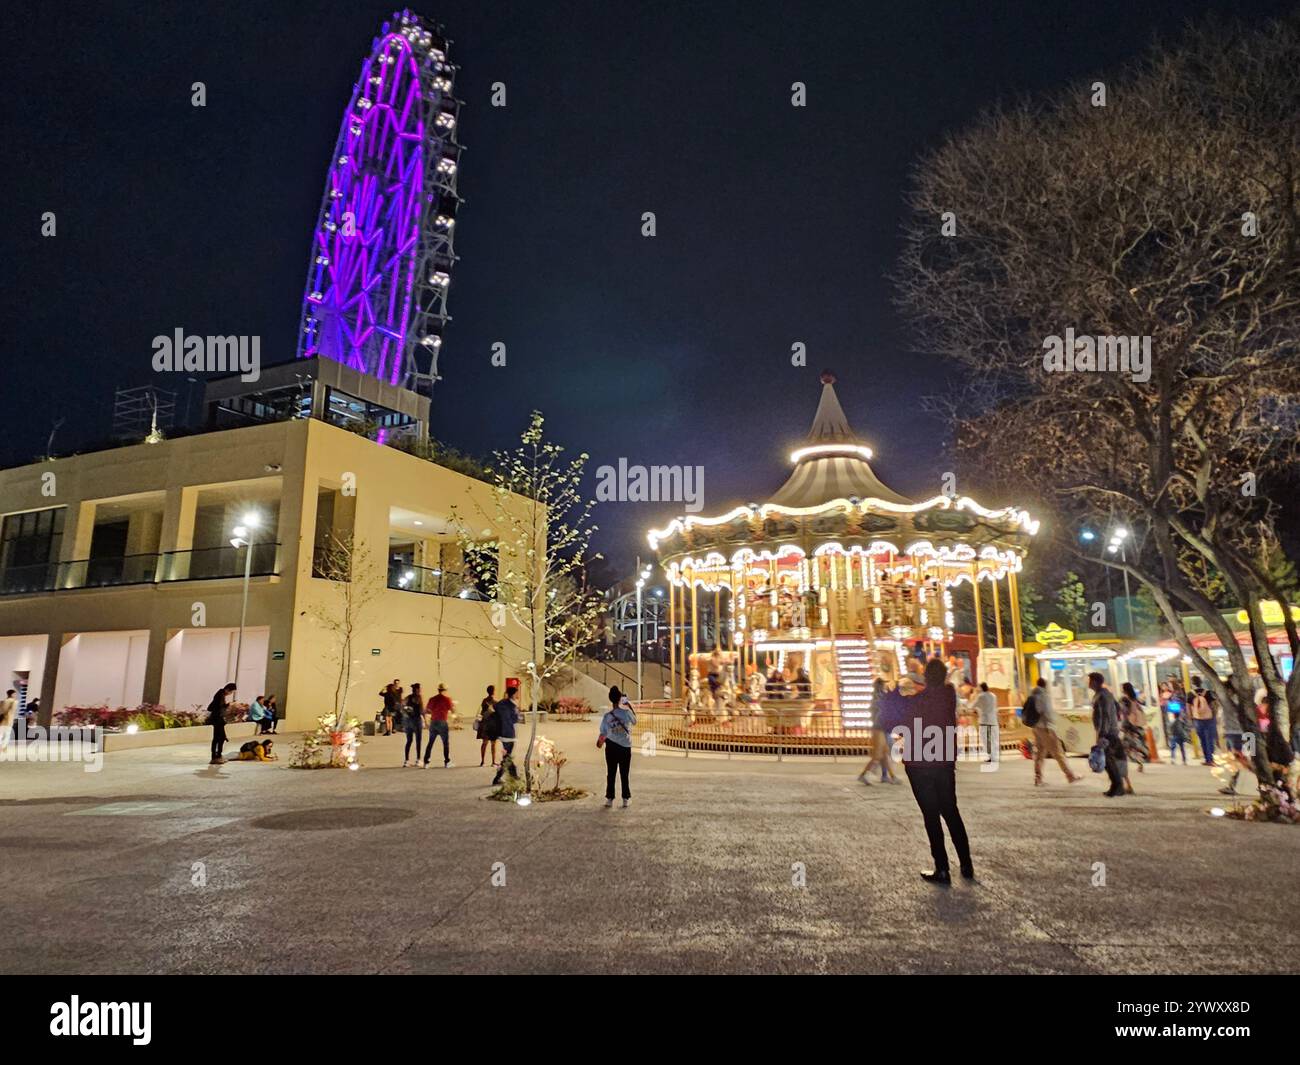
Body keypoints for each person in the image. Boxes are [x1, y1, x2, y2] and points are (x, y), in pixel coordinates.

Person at [874, 657, 973, 884]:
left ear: (926, 678)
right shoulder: (948, 696)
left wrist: (892, 698)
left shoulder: (916, 703)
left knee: (931, 815)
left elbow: (893, 723)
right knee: (951, 811)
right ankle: (966, 864)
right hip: (944, 762)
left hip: (920, 764)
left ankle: (942, 868)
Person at [1026, 677, 1079, 785]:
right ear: (1045, 685)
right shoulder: (1044, 696)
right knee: (1058, 752)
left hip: (1036, 728)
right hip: (1046, 728)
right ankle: (1070, 776)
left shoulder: (1032, 696)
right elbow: (1047, 713)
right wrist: (1052, 727)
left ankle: (1038, 778)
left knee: (1040, 753)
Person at [1089, 672, 1129, 797]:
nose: (1089, 683)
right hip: (1111, 730)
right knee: (1109, 759)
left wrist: (1102, 733)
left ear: (1095, 682)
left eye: (1090, 680)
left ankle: (1117, 786)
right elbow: (1117, 710)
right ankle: (1117, 786)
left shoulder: (1102, 696)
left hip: (1107, 732)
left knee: (1108, 760)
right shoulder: (1106, 694)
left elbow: (1105, 716)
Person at [599, 685, 636, 807]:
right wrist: (629, 705)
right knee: (624, 773)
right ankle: (626, 798)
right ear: (621, 699)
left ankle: (609, 798)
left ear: (610, 699)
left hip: (611, 746)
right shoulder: (627, 713)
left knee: (611, 772)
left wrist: (600, 742)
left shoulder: (607, 716)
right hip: (625, 746)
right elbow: (635, 721)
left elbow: (603, 732)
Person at [1119, 682, 1149, 786]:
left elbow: (1124, 712)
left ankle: (1123, 770)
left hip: (1128, 726)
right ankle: (1140, 763)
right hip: (1137, 725)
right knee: (1136, 745)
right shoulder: (1134, 699)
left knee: (1124, 747)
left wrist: (1122, 725)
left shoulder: (1124, 699)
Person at [490, 685, 521, 785]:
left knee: (507, 756)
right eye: (517, 693)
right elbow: (515, 720)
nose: (518, 694)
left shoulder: (502, 703)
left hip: (501, 732)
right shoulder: (512, 706)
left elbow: (494, 707)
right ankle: (512, 776)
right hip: (509, 734)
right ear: (513, 694)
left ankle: (512, 776)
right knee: (508, 757)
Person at [1189, 677, 1218, 765]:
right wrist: (1214, 715)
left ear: (1192, 683)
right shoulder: (1208, 692)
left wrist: (1191, 719)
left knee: (1202, 739)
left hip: (1198, 719)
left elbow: (1188, 708)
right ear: (1201, 682)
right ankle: (1211, 758)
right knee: (1210, 739)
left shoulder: (1190, 694)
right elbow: (1214, 705)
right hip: (1209, 718)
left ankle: (1207, 759)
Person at [423, 683, 454, 768]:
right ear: (445, 690)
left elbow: (427, 710)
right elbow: (452, 710)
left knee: (430, 742)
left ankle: (426, 762)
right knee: (445, 743)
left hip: (433, 722)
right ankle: (447, 762)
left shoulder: (432, 699)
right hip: (442, 722)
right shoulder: (447, 699)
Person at [207, 682, 236, 765]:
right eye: (231, 692)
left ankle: (217, 755)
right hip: (217, 719)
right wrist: (228, 705)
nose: (231, 694)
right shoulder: (220, 695)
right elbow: (219, 707)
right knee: (218, 738)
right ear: (227, 689)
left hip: (218, 719)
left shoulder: (221, 694)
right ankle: (215, 756)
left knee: (220, 737)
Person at [973, 682, 998, 764]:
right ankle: (994, 757)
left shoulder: (981, 696)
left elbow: (973, 705)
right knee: (993, 739)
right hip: (993, 720)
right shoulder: (993, 696)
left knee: (986, 740)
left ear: (981, 688)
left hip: (984, 721)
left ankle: (991, 756)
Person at [402, 683, 425, 767]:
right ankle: (418, 760)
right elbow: (422, 711)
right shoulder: (419, 698)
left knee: (409, 741)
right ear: (418, 689)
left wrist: (406, 713)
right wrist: (425, 720)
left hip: (409, 721)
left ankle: (406, 760)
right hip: (417, 721)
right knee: (418, 741)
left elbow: (402, 706)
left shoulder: (408, 697)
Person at [476, 685, 499, 767]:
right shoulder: (496, 702)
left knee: (484, 743)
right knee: (493, 744)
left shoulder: (484, 701)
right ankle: (493, 762)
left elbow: (482, 712)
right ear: (494, 691)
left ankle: (482, 761)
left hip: (485, 724)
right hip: (493, 725)